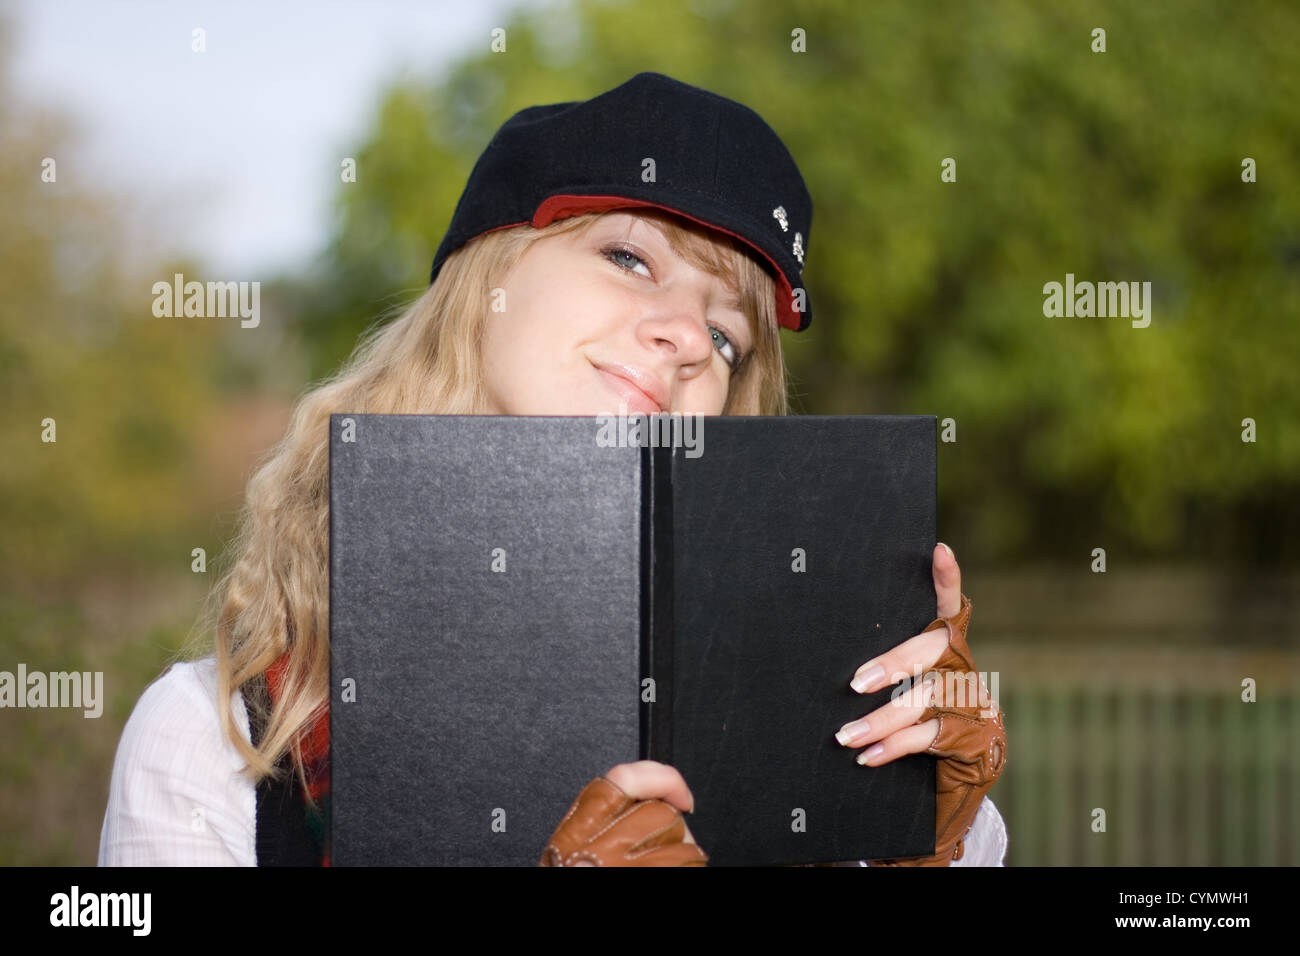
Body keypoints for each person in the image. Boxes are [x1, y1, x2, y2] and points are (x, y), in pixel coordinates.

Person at [98, 71, 1007, 868]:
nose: (690, 338)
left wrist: (918, 833)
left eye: (727, 335)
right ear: (483, 280)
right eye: (627, 257)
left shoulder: (816, 730)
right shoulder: (217, 748)